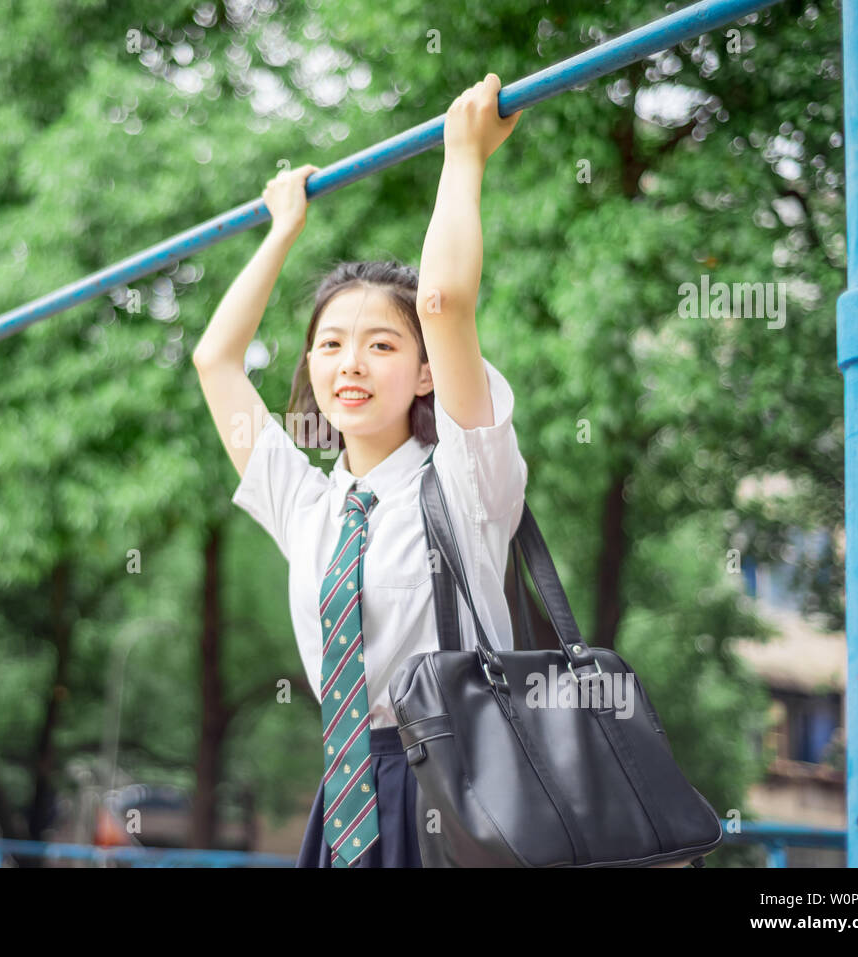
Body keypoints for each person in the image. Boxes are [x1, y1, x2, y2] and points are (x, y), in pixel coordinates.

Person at [192, 74, 527, 867]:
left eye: (381, 344)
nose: (351, 362)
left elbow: (443, 299)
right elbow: (215, 360)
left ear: (422, 373)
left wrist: (462, 156)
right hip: (348, 791)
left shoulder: (467, 477)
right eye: (332, 343)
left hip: (458, 779)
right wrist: (282, 231)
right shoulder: (311, 504)